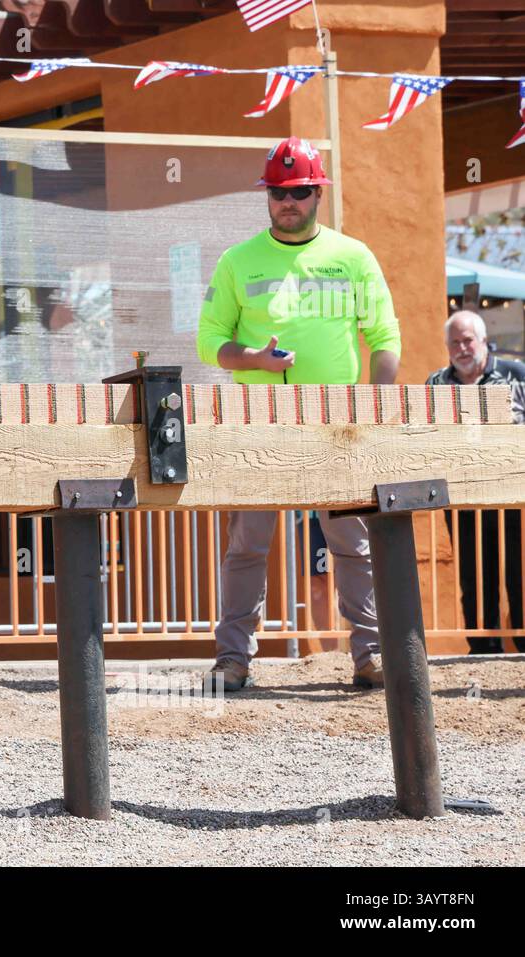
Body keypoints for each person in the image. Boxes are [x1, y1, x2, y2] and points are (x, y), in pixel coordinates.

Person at [196, 137, 402, 691]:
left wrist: (375, 404)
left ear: (319, 195)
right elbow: (209, 341)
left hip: (338, 417)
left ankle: (370, 655)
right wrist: (254, 359)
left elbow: (384, 336)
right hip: (259, 412)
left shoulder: (353, 256)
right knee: (247, 543)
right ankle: (233, 659)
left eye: (300, 191)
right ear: (267, 196)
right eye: (279, 192)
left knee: (352, 542)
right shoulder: (238, 260)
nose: (288, 201)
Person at [427, 310, 525, 654]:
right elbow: (427, 434)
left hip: (513, 495)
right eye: (454, 342)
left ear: (484, 341)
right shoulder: (437, 383)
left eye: (468, 340)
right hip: (462, 495)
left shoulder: (516, 375)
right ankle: (484, 647)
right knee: (473, 574)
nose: (462, 348)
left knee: (520, 570)